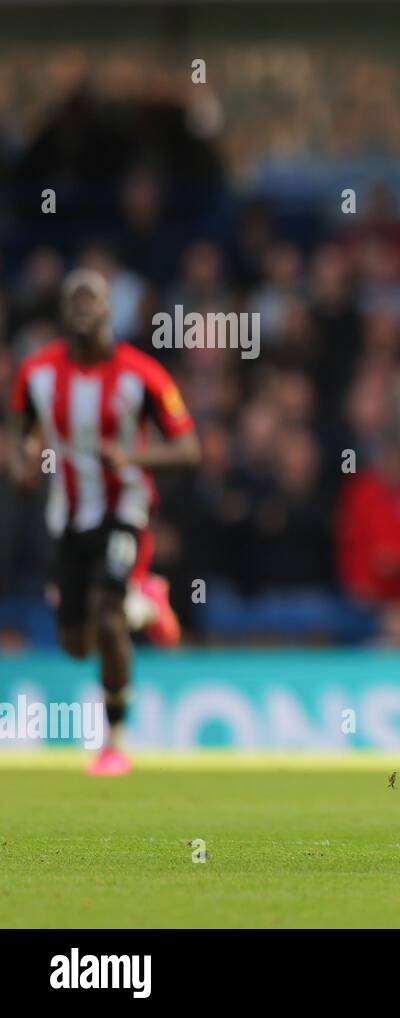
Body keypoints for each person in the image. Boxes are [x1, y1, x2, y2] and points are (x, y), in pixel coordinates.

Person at [8, 269, 200, 774]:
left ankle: (115, 740)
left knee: (108, 613)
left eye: (93, 297)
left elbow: (189, 449)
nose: (83, 305)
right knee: (76, 642)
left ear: (108, 310)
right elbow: (24, 436)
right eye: (75, 297)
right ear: (64, 312)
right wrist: (24, 466)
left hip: (124, 510)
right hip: (67, 517)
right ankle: (148, 602)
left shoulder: (143, 374)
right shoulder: (36, 373)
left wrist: (135, 459)